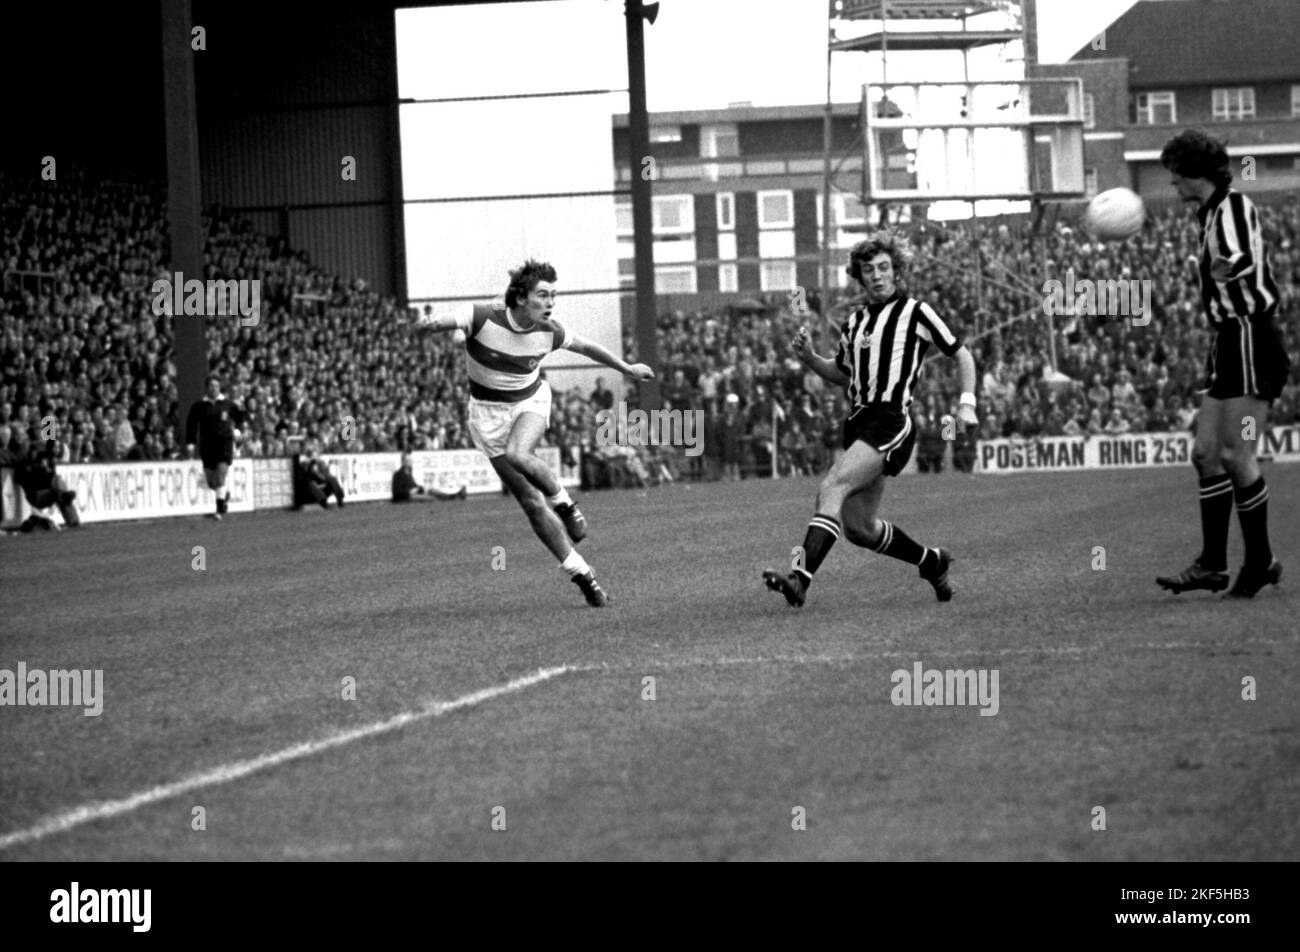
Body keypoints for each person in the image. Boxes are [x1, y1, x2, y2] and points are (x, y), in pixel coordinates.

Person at [416, 259, 655, 606]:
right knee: (530, 503)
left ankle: (566, 503)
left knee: (519, 454)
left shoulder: (551, 331)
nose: (550, 302)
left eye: (553, 295)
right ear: (521, 298)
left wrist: (627, 367)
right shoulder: (482, 317)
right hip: (487, 417)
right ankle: (583, 575)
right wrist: (425, 325)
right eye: (543, 295)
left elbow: (587, 348)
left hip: (529, 402)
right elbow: (442, 322)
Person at [762, 230, 978, 607]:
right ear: (859, 277)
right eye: (868, 270)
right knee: (860, 530)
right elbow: (843, 374)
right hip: (860, 423)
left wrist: (966, 403)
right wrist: (811, 358)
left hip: (891, 420)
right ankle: (932, 561)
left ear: (897, 271)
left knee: (831, 487)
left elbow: (962, 354)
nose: (877, 275)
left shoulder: (916, 312)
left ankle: (800, 580)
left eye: (883, 268)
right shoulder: (854, 323)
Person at [1155, 129, 1290, 598]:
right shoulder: (1209, 213)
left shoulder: (1232, 206)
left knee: (1237, 454)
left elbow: (1240, 256)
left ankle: (1258, 563)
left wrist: (1225, 267)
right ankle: (1214, 565)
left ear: (1194, 171)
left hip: (1251, 337)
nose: (1170, 181)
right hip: (1230, 342)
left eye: (1174, 172)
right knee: (1205, 454)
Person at [184, 373, 245, 521]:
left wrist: (238, 431)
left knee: (221, 475)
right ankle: (224, 495)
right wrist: (190, 442)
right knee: (212, 482)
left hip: (224, 444)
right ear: (206, 388)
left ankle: (219, 510)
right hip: (206, 446)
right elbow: (191, 425)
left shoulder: (228, 404)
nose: (213, 388)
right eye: (211, 386)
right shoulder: (199, 406)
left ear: (220, 387)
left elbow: (240, 419)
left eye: (216, 386)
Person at [392, 453, 467, 502]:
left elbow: (414, 485)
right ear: (403, 462)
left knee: (432, 490)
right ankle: (450, 499)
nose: (411, 462)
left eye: (410, 460)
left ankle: (452, 496)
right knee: (431, 499)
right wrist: (409, 492)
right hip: (405, 498)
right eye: (408, 460)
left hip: (413, 494)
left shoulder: (409, 473)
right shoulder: (398, 474)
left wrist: (421, 488)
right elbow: (397, 492)